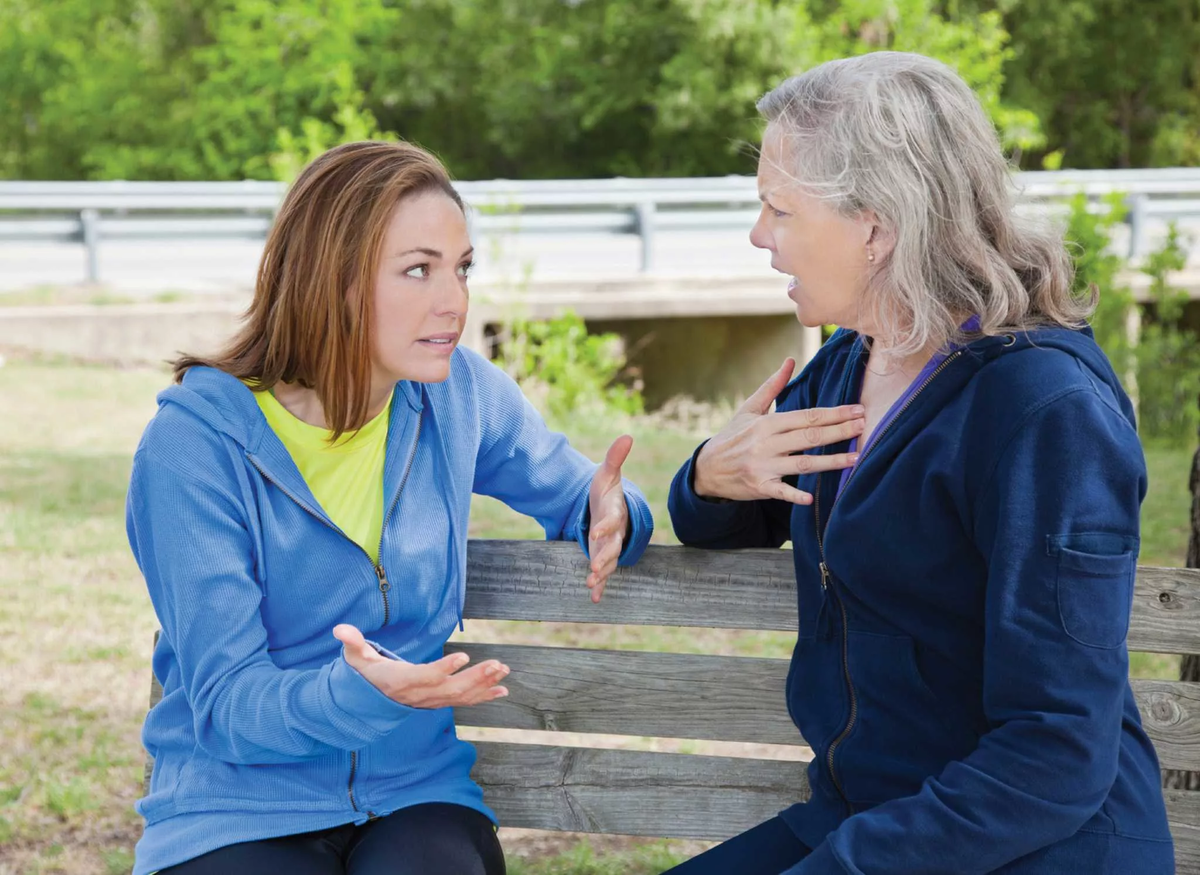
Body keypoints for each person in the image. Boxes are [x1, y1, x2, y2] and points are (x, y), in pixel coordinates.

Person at [663, 52, 1173, 874]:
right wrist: (710, 473)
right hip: (868, 819)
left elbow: (1056, 752)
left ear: (876, 225)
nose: (760, 236)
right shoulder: (847, 364)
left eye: (778, 209)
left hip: (1028, 844)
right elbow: (737, 512)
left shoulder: (1045, 411)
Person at [125, 140, 654, 875]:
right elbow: (228, 706)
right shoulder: (196, 446)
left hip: (414, 794)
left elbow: (577, 488)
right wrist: (358, 693)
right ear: (331, 282)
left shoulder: (455, 394)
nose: (455, 301)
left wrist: (614, 507)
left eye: (462, 268)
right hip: (236, 806)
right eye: (418, 270)